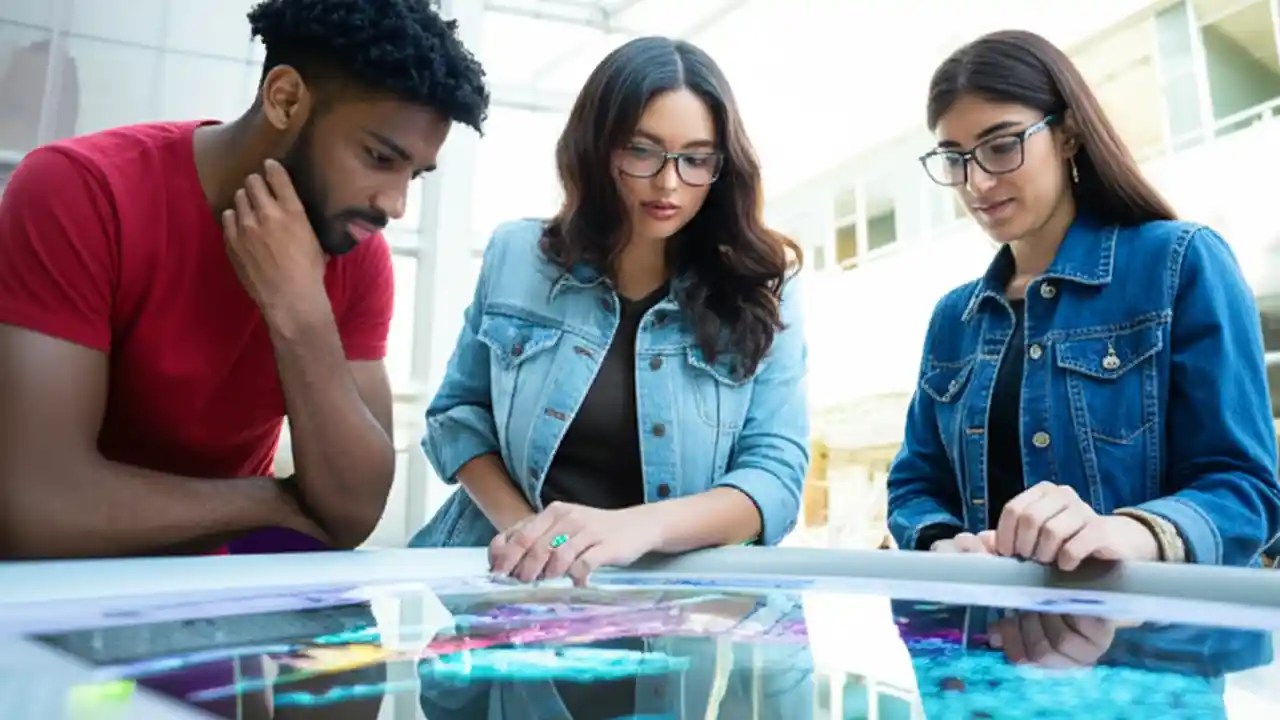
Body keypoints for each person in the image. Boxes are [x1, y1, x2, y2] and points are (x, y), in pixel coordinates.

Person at [0, 0, 490, 558]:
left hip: (211, 590)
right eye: (379, 157)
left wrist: (302, 313)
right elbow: (35, 507)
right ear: (284, 99)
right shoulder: (78, 194)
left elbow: (351, 514)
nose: (395, 204)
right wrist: (268, 503)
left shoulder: (351, 246)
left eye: (415, 175)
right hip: (38, 587)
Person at [410, 36, 809, 585]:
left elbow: (775, 479)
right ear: (597, 147)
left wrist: (638, 529)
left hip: (674, 608)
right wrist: (536, 538)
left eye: (696, 160)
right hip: (506, 579)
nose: (669, 183)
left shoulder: (764, 287)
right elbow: (457, 418)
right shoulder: (516, 257)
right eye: (642, 152)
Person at [887, 30, 1280, 569]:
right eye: (955, 159)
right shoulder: (956, 318)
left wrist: (1123, 533)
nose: (976, 183)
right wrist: (943, 541)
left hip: (1158, 642)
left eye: (1002, 146)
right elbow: (915, 483)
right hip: (990, 642)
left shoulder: (1180, 263)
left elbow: (1248, 489)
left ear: (1068, 134)